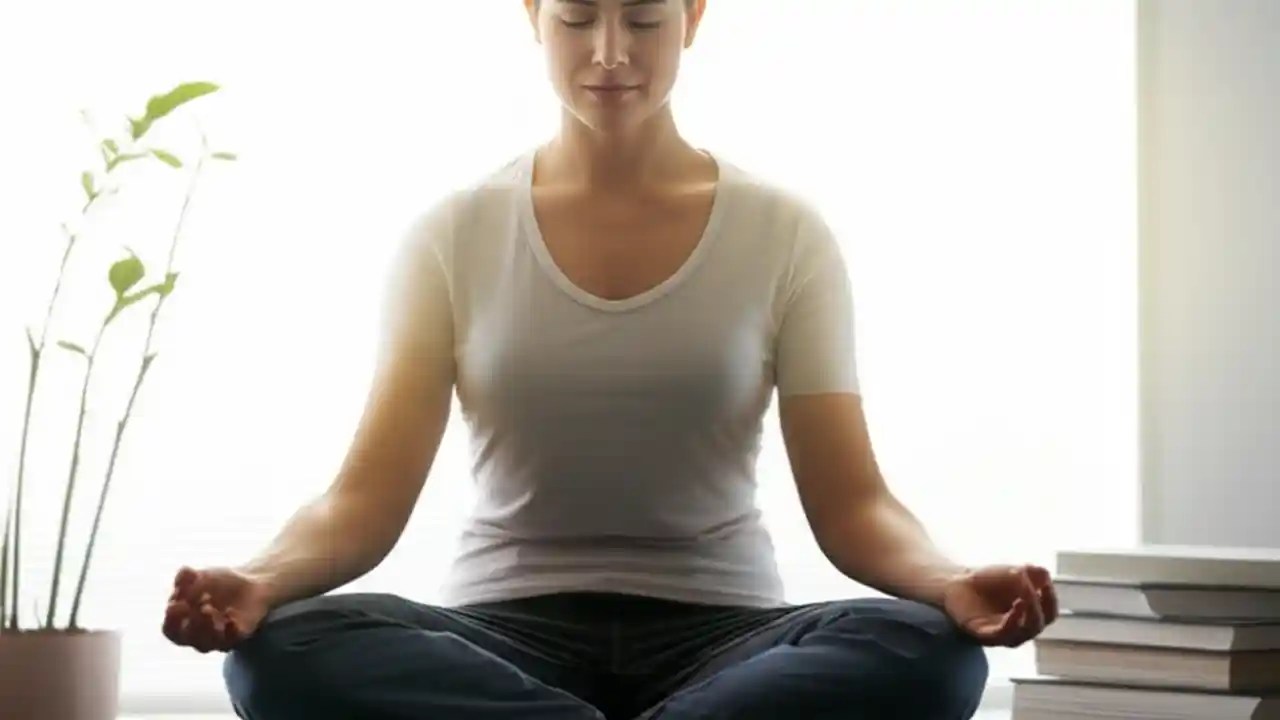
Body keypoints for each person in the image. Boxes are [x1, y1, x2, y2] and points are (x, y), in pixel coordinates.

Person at [163, 1, 1059, 718]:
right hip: (499, 640)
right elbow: (362, 500)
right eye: (577, 19)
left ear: (693, 18)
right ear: (532, 15)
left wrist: (948, 584)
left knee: (929, 652)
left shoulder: (785, 233)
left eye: (642, 20)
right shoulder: (453, 234)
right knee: (282, 651)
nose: (608, 53)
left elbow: (854, 505)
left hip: (728, 641)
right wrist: (262, 582)